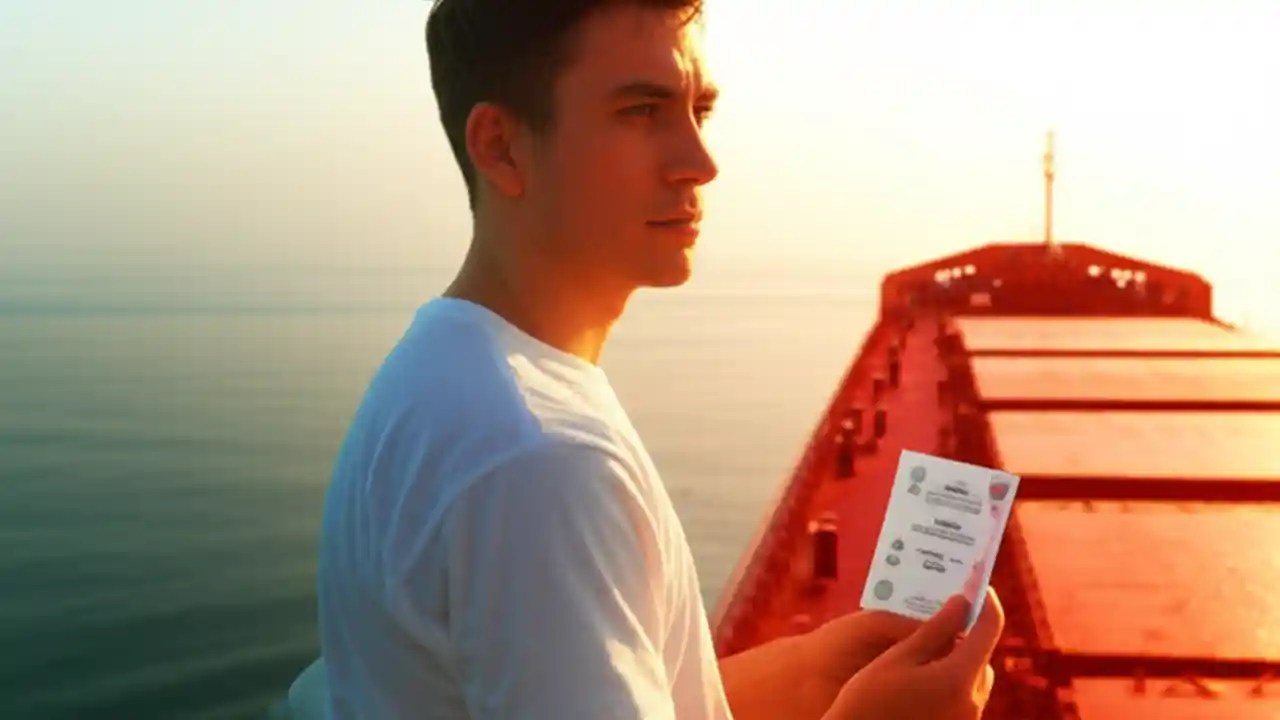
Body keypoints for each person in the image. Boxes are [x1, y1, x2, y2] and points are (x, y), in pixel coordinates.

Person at [314, 0, 1006, 718]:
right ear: (502, 148)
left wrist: (810, 674)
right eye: (641, 111)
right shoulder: (539, 461)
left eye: (698, 111)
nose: (701, 164)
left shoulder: (440, 374)